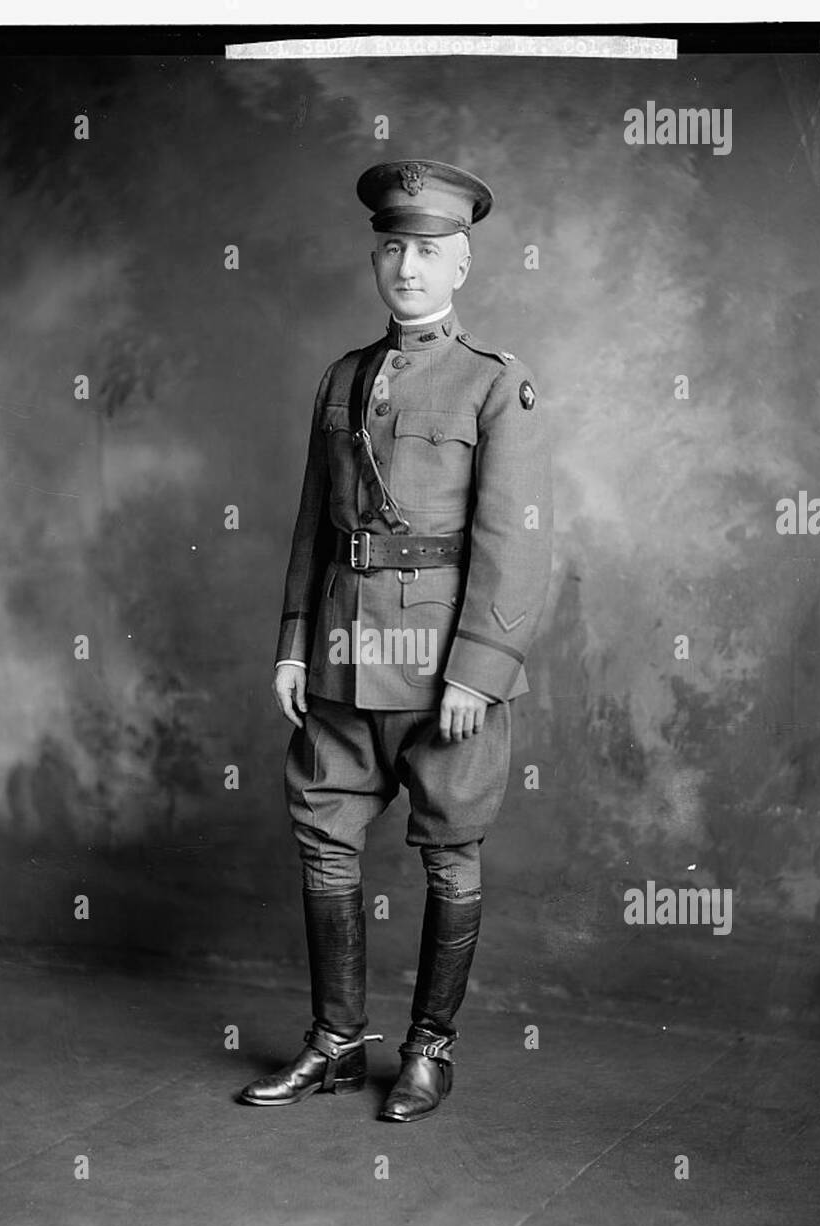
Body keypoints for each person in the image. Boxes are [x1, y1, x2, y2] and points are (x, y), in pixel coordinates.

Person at [239, 159, 552, 1121]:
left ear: (461, 264)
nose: (405, 267)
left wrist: (479, 673)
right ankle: (336, 1042)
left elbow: (516, 541)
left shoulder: (495, 384)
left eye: (426, 251)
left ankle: (429, 1048)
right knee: (325, 841)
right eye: (391, 249)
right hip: (339, 654)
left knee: (450, 849)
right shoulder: (342, 378)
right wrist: (295, 642)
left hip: (441, 667)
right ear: (376, 259)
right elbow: (312, 525)